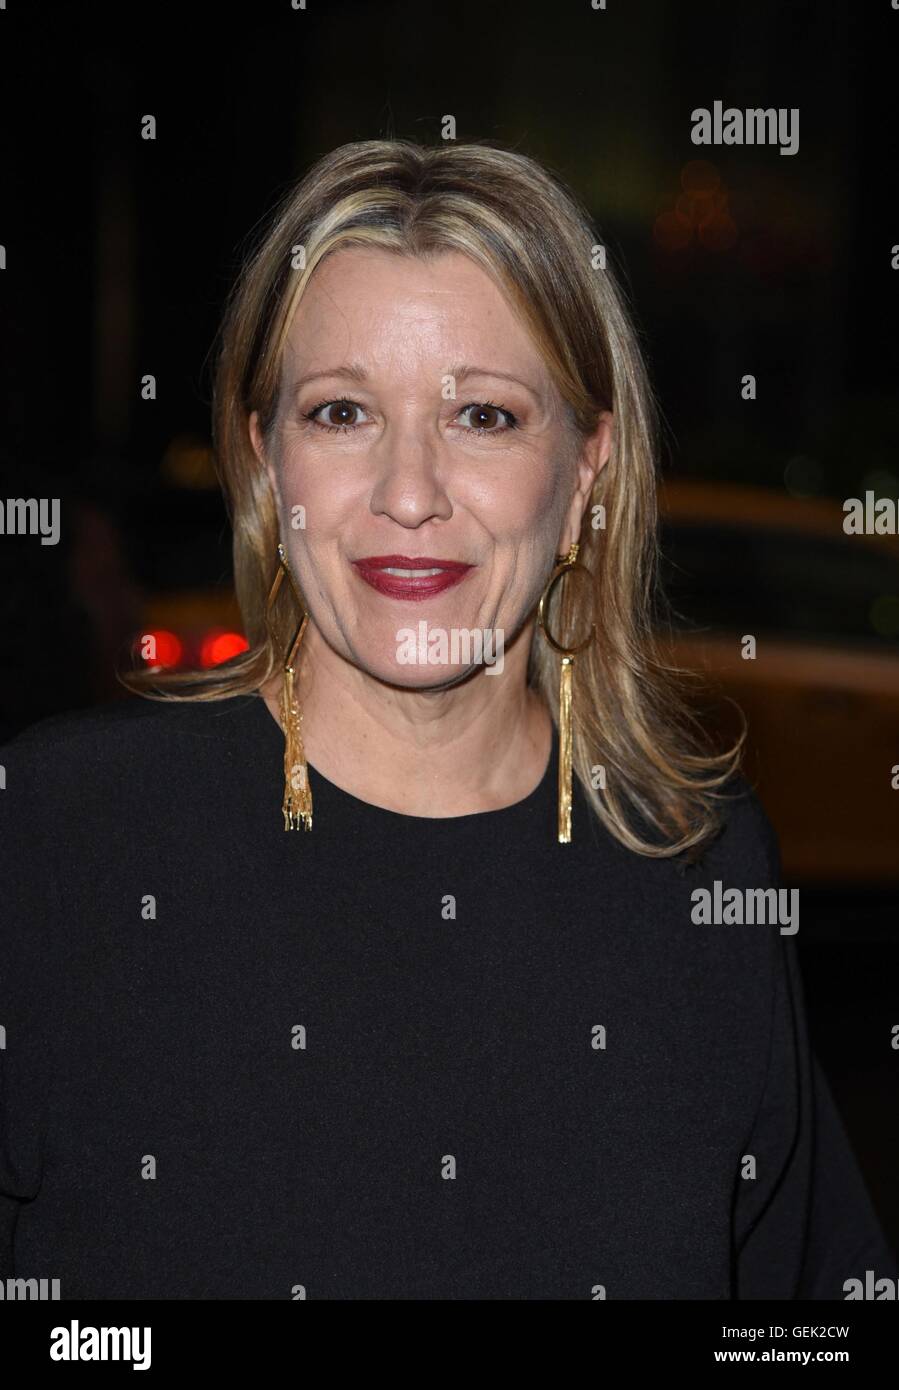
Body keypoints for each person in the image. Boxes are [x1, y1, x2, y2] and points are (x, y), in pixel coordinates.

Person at [0, 139, 893, 1299]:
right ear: (269, 468)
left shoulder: (695, 858)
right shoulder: (65, 836)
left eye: (481, 414)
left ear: (585, 474)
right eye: (340, 411)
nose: (408, 491)